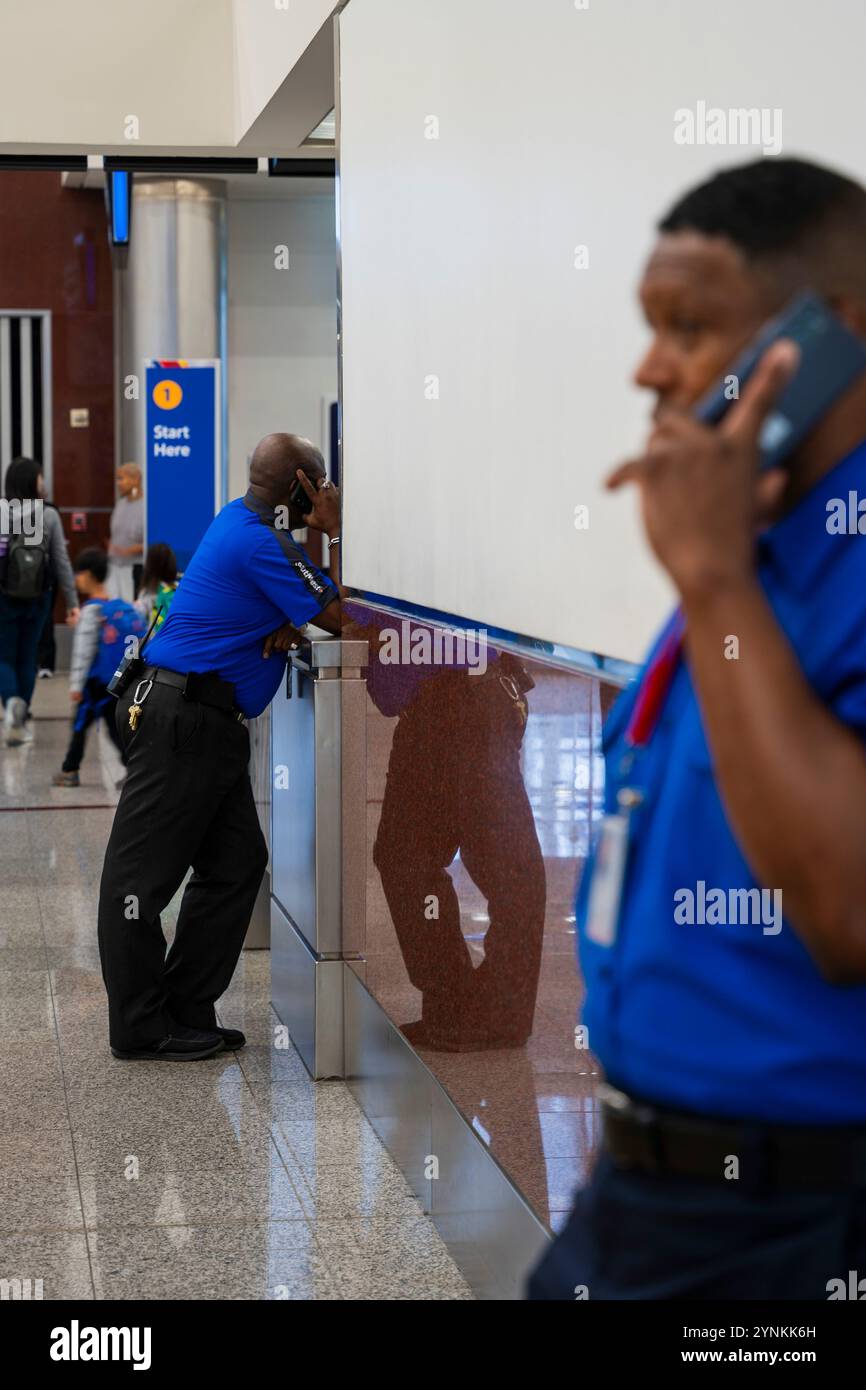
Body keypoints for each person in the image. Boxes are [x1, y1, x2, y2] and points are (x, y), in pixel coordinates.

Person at [529, 157, 866, 1300]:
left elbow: (847, 908)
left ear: (831, 335)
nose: (648, 366)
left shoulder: (744, 560)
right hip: (644, 1184)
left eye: (689, 327)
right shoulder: (747, 536)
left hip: (798, 1215)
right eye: (647, 326)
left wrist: (715, 583)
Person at [97, 433, 342, 1061]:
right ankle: (141, 1027)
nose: (331, 490)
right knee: (138, 882)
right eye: (323, 480)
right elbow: (343, 615)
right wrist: (334, 530)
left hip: (207, 723)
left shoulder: (240, 521)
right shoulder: (260, 540)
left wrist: (288, 621)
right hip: (186, 723)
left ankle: (184, 1007)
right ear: (302, 487)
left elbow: (303, 602)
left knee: (235, 863)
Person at [0, 456, 79, 747]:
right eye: (40, 477)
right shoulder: (49, 515)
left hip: (3, 596)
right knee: (27, 657)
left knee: (4, 657)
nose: (43, 482)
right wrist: (72, 601)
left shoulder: (1, 512)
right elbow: (61, 561)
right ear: (33, 481)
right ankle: (20, 717)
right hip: (39, 596)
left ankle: (11, 707)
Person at [52, 548, 145, 788]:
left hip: (95, 684)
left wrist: (75, 685)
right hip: (115, 681)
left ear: (90, 575)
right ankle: (134, 770)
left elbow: (83, 653)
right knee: (113, 728)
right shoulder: (119, 606)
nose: (76, 578)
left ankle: (70, 770)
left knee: (81, 725)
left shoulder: (91, 611)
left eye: (79, 573)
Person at [107, 463, 144, 602]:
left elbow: (155, 541)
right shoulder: (120, 504)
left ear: (136, 479)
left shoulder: (146, 507)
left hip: (135, 569)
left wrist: (136, 548)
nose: (118, 483)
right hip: (114, 568)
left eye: (121, 478)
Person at [134, 542, 179, 632]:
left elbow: (137, 619)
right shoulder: (179, 588)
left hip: (155, 642)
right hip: (177, 639)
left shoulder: (148, 592)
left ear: (149, 566)